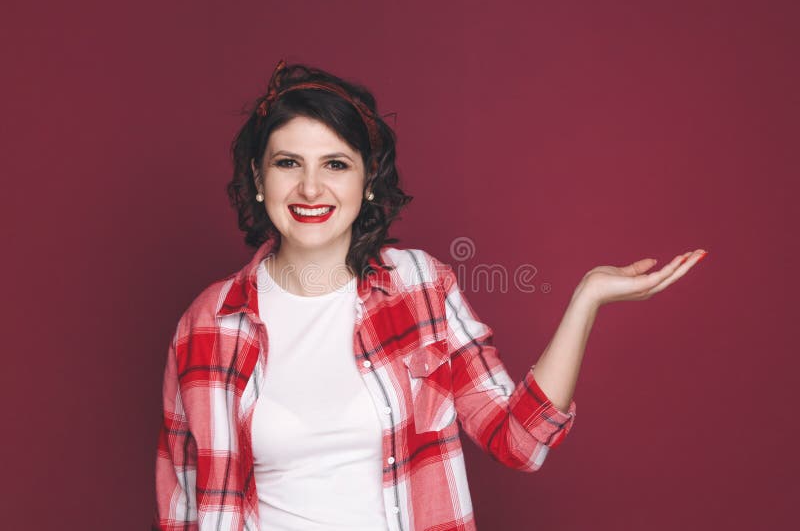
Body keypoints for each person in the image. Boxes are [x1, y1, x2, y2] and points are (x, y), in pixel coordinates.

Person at [152, 59, 708, 531]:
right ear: (257, 177)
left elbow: (518, 441)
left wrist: (586, 299)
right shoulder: (207, 323)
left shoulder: (421, 288)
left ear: (368, 181)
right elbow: (182, 503)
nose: (311, 188)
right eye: (288, 163)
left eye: (336, 165)